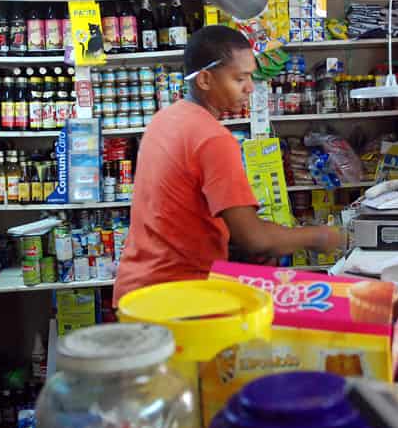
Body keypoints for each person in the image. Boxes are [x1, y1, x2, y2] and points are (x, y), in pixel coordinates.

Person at [115, 25, 346, 303]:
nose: (250, 88)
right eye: (240, 79)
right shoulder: (212, 137)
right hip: (176, 296)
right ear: (204, 80)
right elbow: (255, 238)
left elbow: (180, 211)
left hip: (137, 289)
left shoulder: (165, 118)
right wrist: (323, 236)